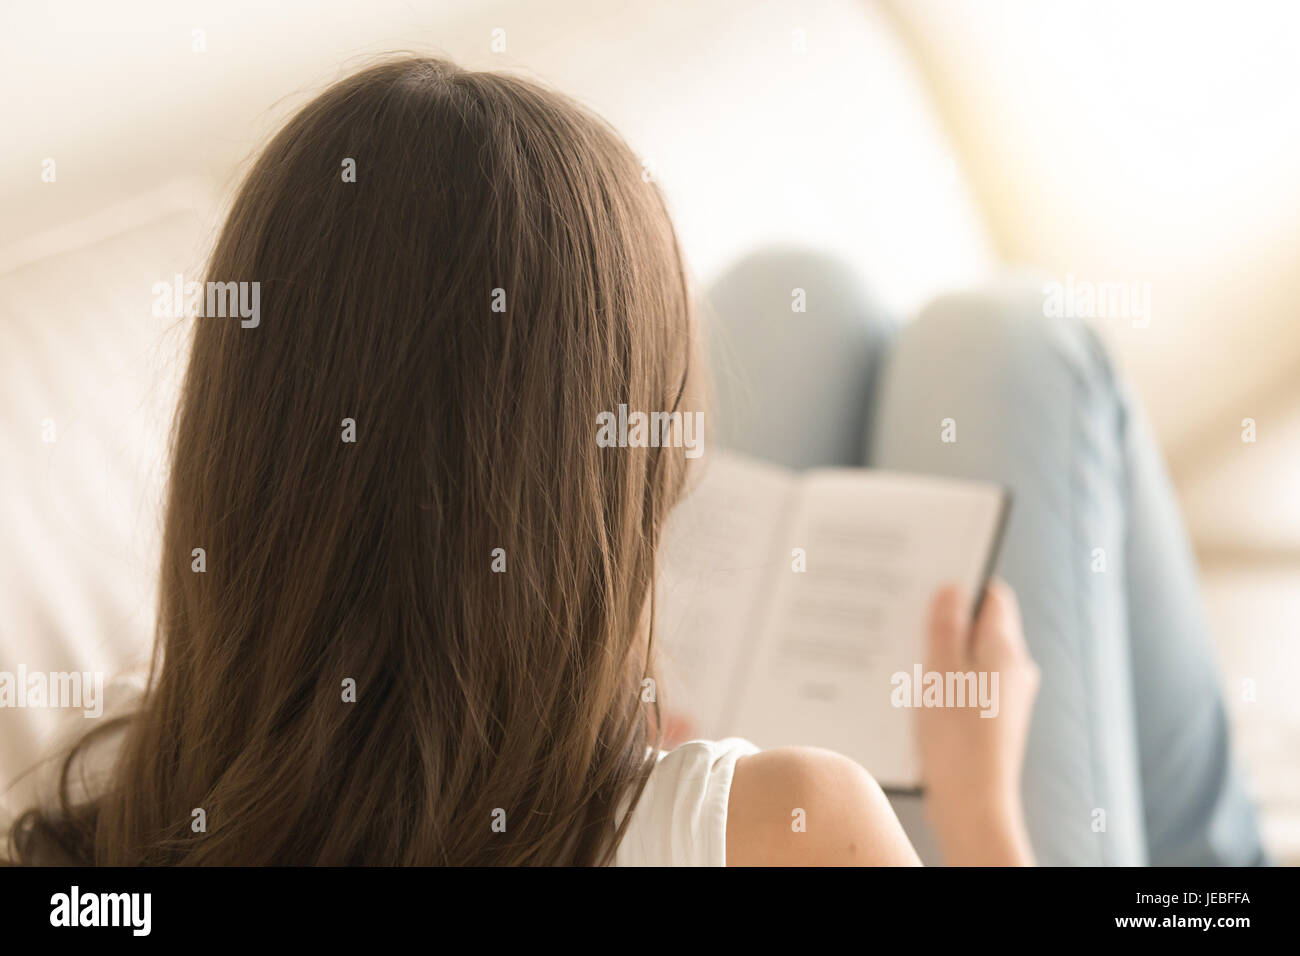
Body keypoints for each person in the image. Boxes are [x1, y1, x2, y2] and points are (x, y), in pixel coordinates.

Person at [6, 57, 1264, 866]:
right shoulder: (794, 823)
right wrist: (983, 804)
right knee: (1015, 343)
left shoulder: (83, 819)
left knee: (795, 299)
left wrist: (584, 730)